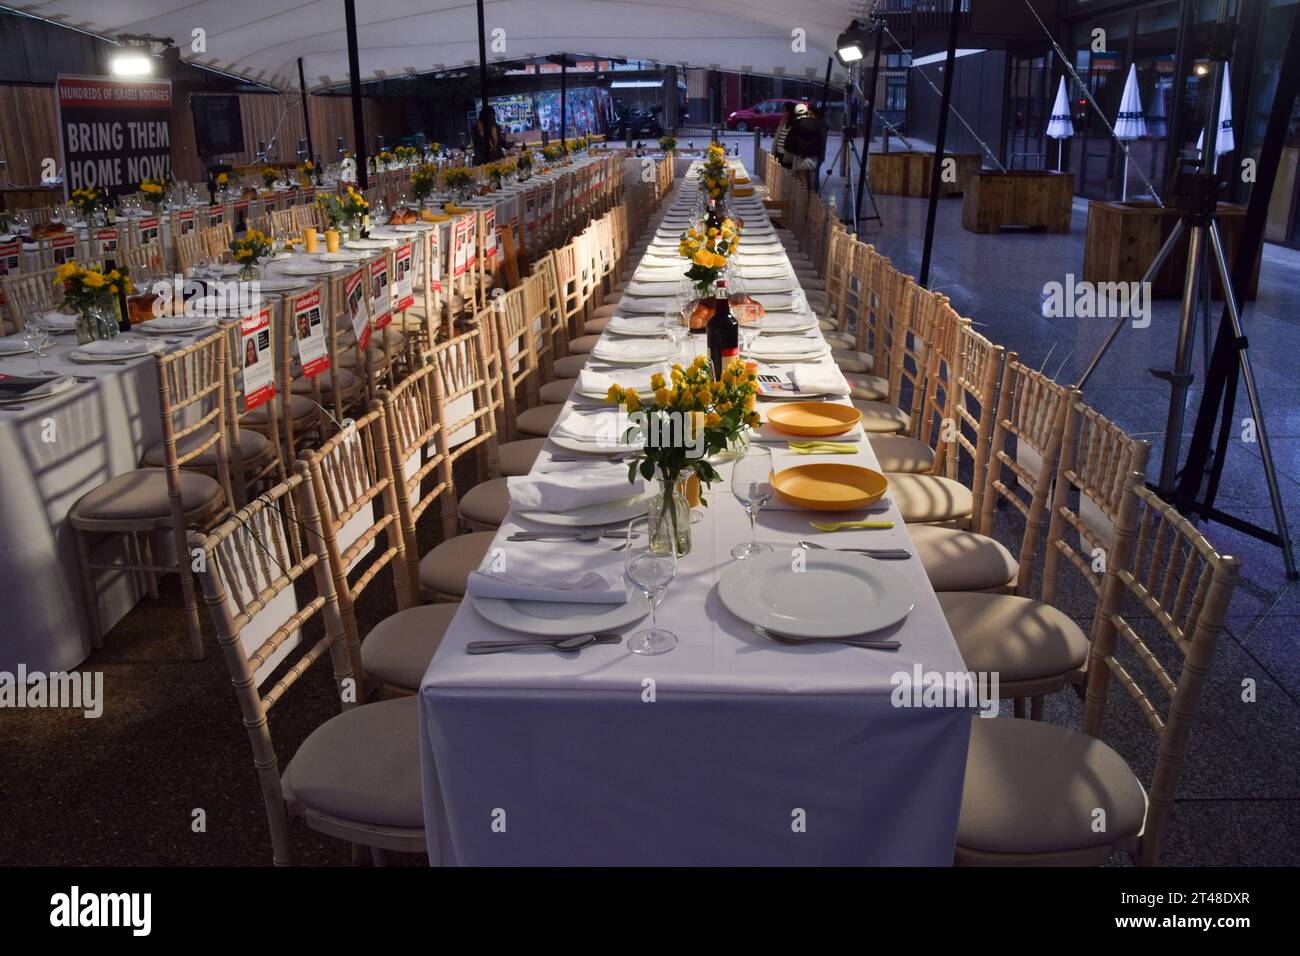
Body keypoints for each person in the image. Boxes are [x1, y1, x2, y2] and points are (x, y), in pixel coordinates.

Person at [781, 102, 824, 191]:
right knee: (811, 188)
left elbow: (788, 145)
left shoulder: (796, 126)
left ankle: (802, 205)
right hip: (813, 161)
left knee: (801, 189)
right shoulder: (816, 125)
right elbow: (821, 143)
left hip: (800, 161)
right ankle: (811, 204)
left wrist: (795, 151)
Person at [773, 102, 796, 168]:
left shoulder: (795, 124)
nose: (783, 113)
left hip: (787, 156)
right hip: (778, 153)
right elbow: (777, 138)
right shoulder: (783, 122)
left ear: (790, 111)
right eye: (782, 111)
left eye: (784, 111)